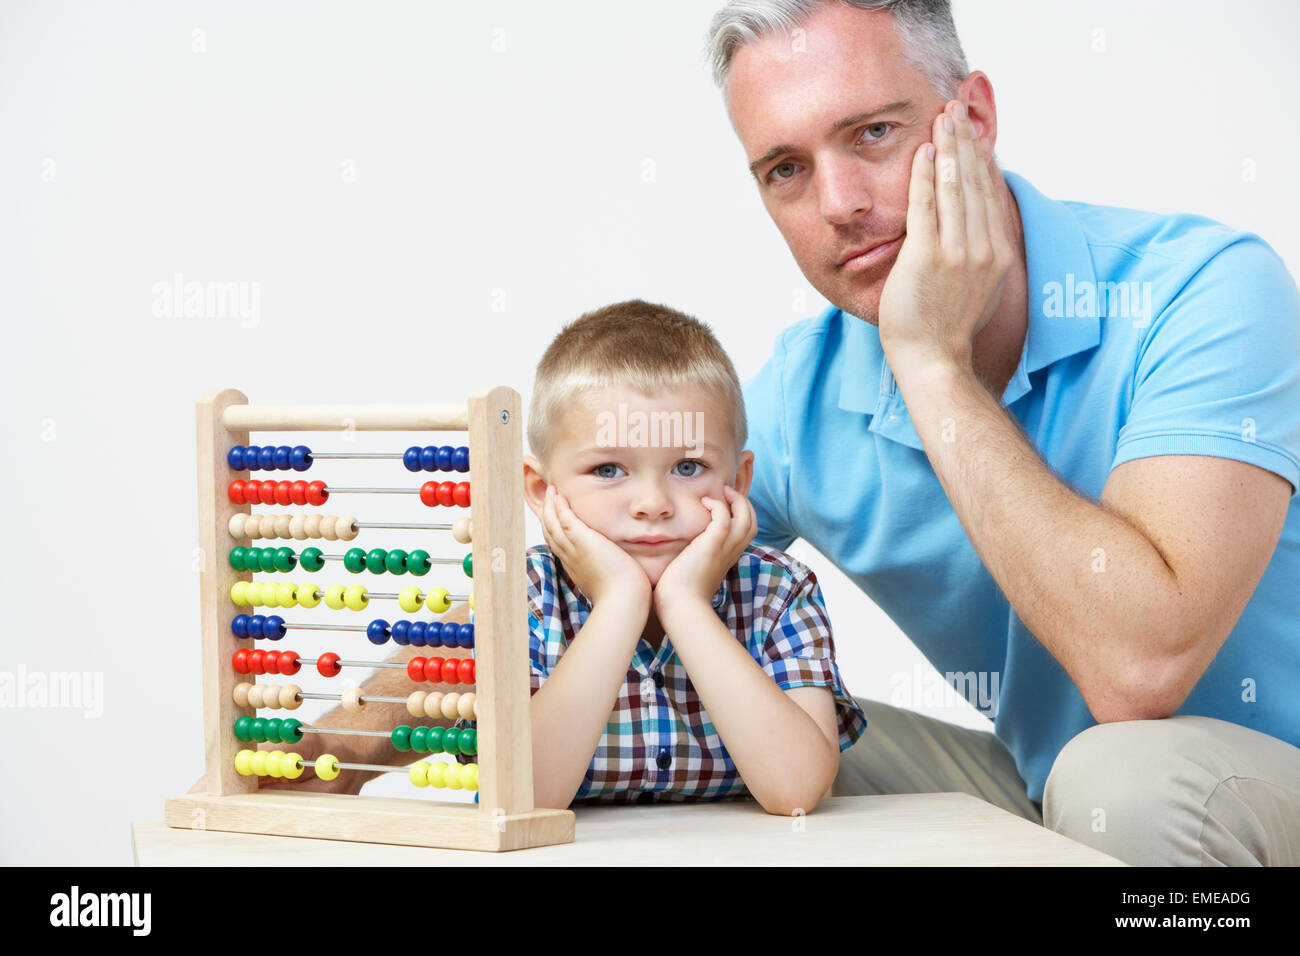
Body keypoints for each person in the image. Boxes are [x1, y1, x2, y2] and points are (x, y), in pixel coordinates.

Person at [706, 0, 1300, 864]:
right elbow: (616, 578)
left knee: (1129, 780)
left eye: (872, 133)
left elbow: (1141, 669)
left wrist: (932, 363)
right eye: (786, 169)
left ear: (973, 120)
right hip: (1052, 790)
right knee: (709, 732)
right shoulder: (802, 396)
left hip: (1252, 793)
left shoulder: (1203, 292)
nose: (837, 204)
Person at [504, 299, 866, 811]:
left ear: (737, 482)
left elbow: (797, 792)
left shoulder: (779, 592)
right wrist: (620, 603)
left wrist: (686, 604)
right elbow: (525, 798)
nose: (652, 505)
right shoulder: (525, 595)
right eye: (609, 470)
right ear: (541, 490)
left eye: (688, 467)